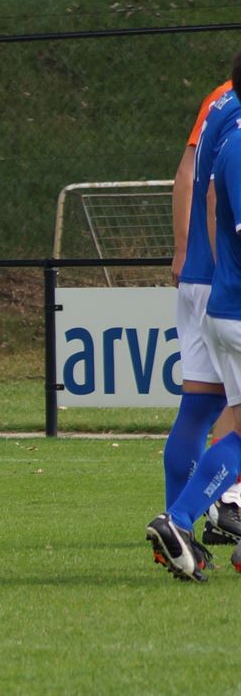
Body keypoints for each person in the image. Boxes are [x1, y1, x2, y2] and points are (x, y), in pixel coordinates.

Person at [147, 54, 241, 581]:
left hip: (201, 277)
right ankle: (221, 505)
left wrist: (184, 249)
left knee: (200, 408)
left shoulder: (218, 97)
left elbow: (188, 176)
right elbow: (210, 193)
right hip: (229, 282)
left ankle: (179, 528)